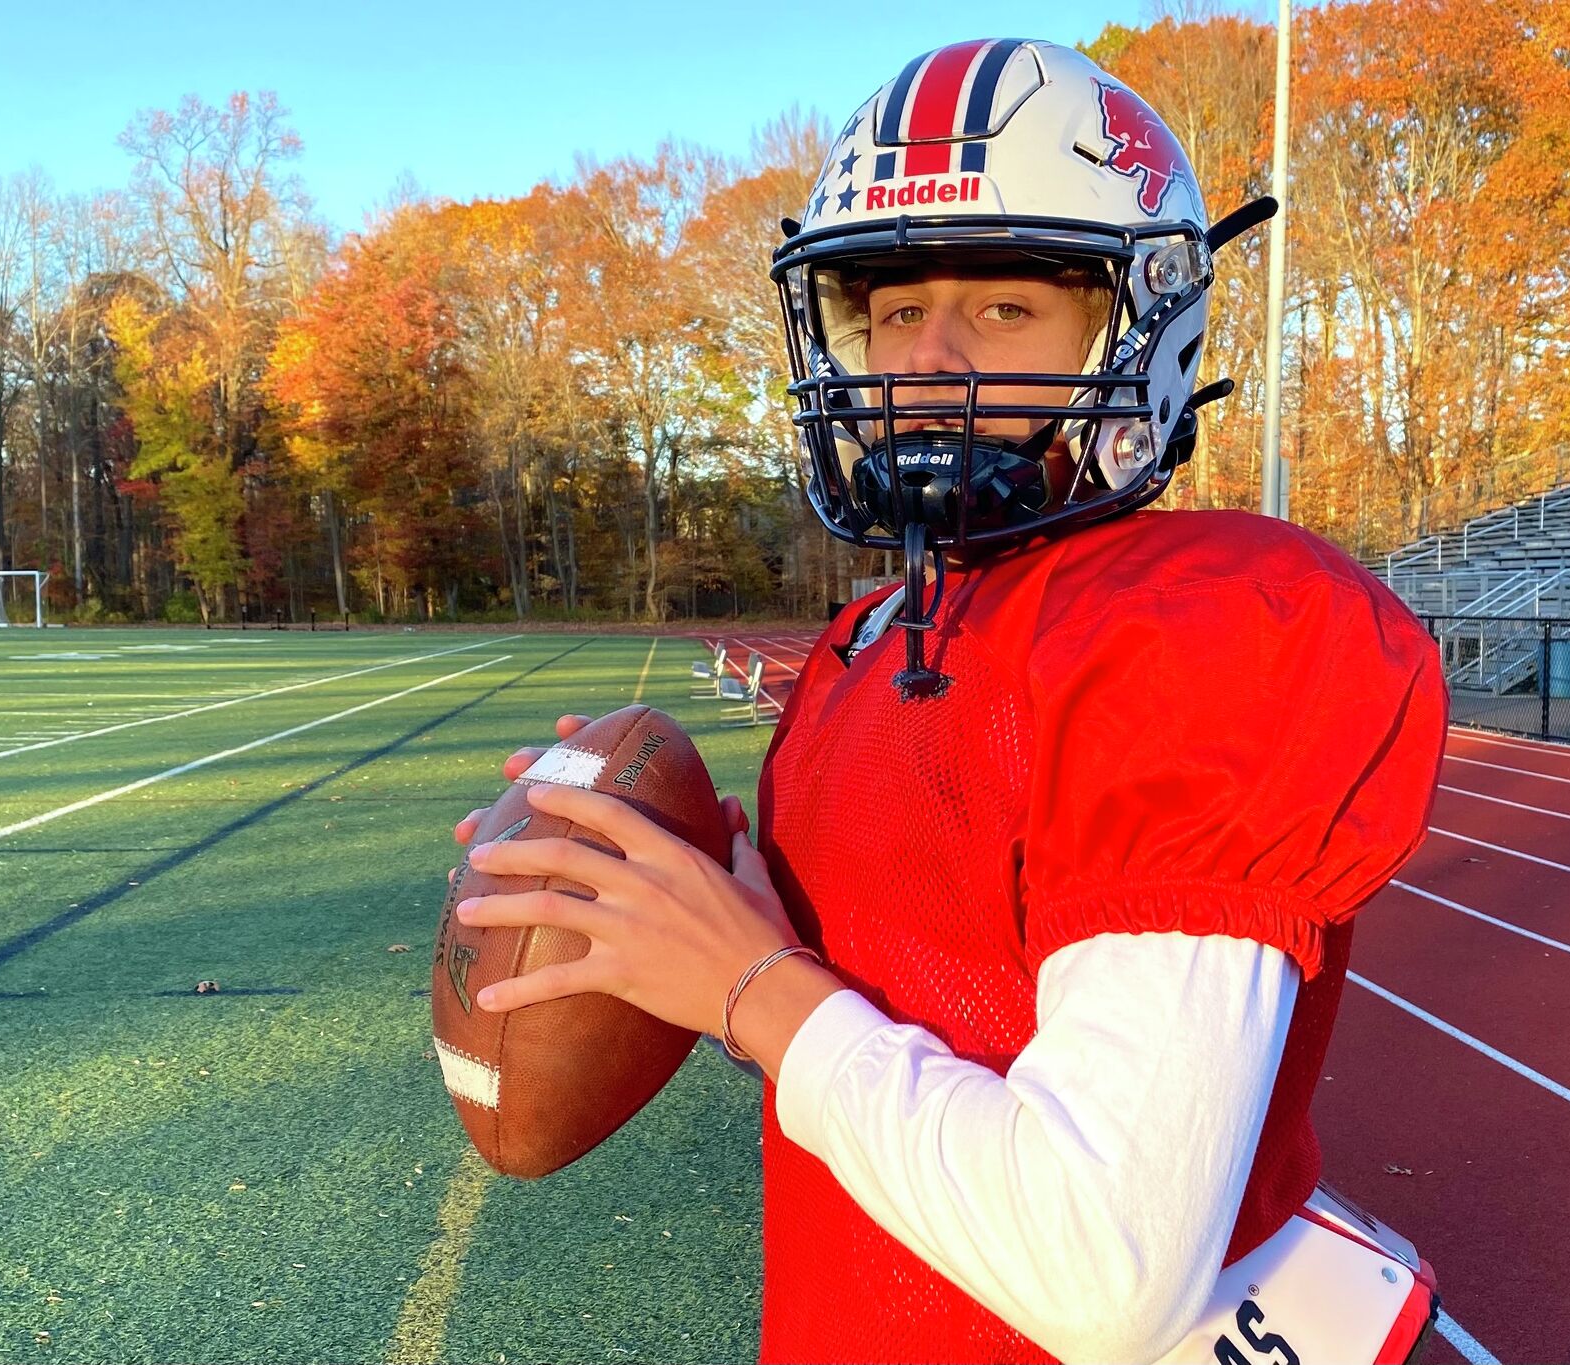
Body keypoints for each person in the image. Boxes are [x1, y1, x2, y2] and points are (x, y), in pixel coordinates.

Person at [451, 38, 1446, 1365]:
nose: (926, 355)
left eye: (1002, 308)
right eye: (892, 306)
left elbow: (1104, 1267)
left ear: (1141, 323)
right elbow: (891, 1010)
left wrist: (752, 986)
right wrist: (684, 902)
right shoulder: (874, 636)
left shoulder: (1190, 626)